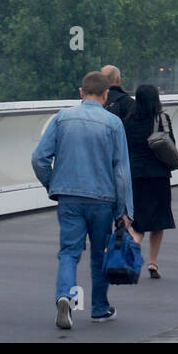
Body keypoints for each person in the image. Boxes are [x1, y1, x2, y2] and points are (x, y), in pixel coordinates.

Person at [31, 70, 134, 329]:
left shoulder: (62, 118)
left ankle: (64, 296)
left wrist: (52, 183)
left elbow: (39, 158)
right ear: (106, 93)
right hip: (102, 199)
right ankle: (99, 308)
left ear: (81, 92)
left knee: (69, 252)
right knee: (99, 254)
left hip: (69, 197)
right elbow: (121, 172)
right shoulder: (113, 123)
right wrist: (124, 209)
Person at [123, 84, 175, 279]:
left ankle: (130, 260)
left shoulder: (128, 121)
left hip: (136, 176)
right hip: (159, 176)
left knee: (138, 222)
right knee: (158, 221)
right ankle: (152, 262)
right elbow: (171, 145)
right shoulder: (161, 119)